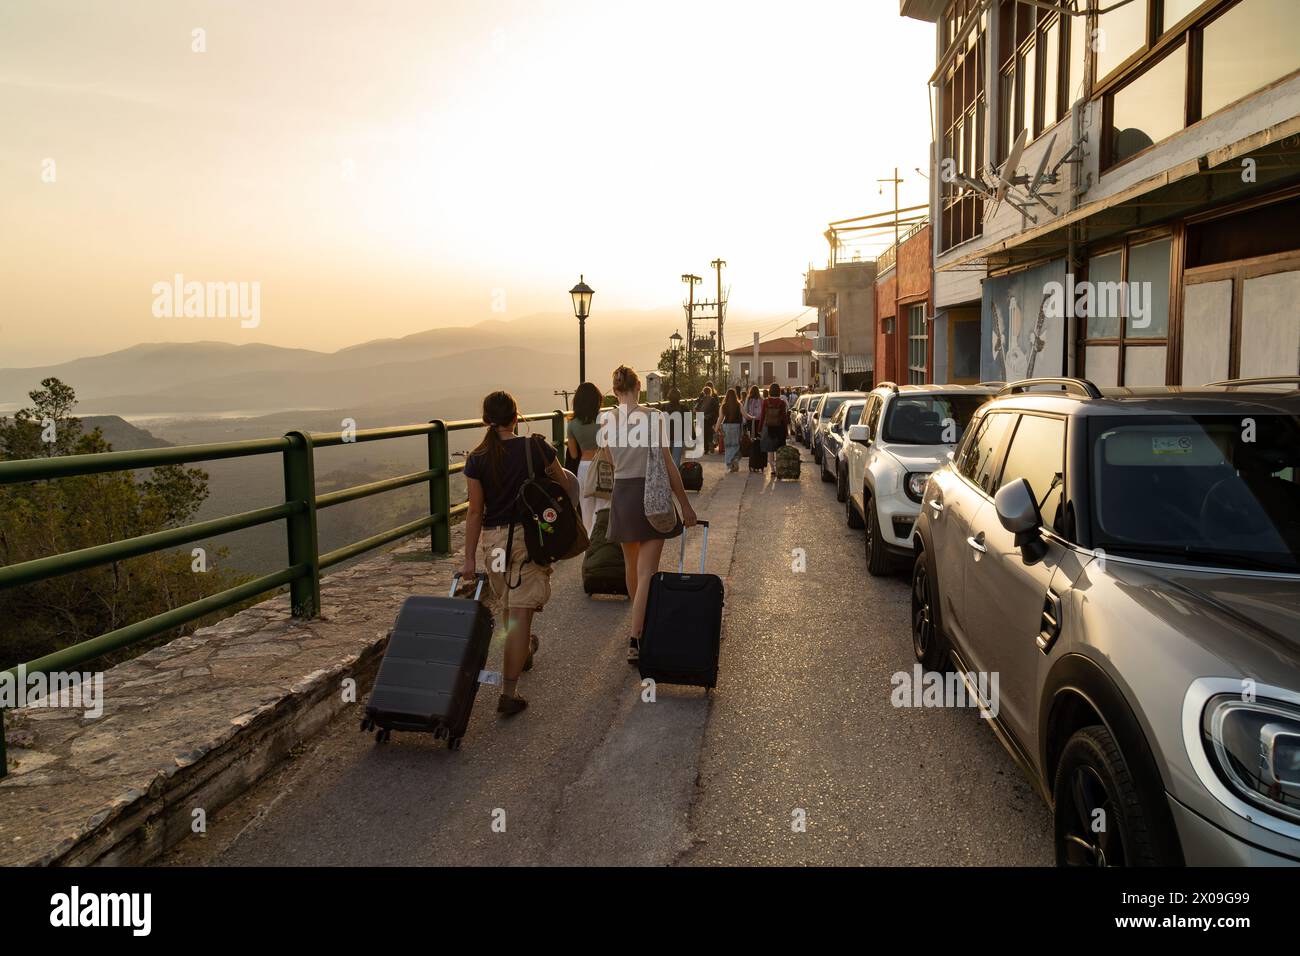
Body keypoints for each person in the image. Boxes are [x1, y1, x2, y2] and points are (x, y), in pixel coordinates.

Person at [460, 390, 570, 717]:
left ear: (485, 420)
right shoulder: (535, 446)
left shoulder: (476, 458)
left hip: (493, 544)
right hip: (526, 539)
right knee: (520, 615)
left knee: (510, 607)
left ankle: (524, 650)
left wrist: (468, 559)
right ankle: (508, 693)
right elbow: (562, 485)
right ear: (515, 417)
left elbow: (475, 512)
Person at [601, 365, 699, 663]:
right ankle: (636, 636)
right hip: (651, 496)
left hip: (623, 495)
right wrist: (685, 505)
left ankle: (638, 625)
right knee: (647, 573)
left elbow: (608, 459)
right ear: (638, 388)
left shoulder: (607, 420)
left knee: (632, 568)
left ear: (615, 391)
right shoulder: (653, 418)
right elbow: (669, 466)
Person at [566, 381, 604, 533]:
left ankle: (589, 549)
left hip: (584, 468)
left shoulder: (572, 424)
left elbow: (574, 454)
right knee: (602, 508)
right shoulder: (604, 419)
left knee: (586, 511)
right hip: (603, 465)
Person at [759, 382, 789, 477]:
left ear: (770, 391)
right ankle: (779, 467)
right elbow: (784, 418)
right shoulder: (782, 403)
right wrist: (786, 430)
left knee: (770, 449)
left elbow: (762, 416)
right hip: (779, 428)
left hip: (768, 427)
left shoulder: (766, 402)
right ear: (779, 391)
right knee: (779, 449)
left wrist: (759, 428)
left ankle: (772, 469)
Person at [720, 388, 743, 473]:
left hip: (726, 426)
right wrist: (752, 417)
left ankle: (729, 464)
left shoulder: (724, 405)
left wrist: (716, 428)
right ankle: (735, 461)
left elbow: (720, 418)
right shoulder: (738, 404)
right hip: (736, 426)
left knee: (728, 446)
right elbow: (744, 415)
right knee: (735, 445)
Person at [665, 386, 686, 469]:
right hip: (679, 437)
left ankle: (667, 477)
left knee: (666, 459)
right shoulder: (684, 408)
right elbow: (688, 424)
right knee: (676, 459)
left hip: (666, 437)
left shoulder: (664, 408)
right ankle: (674, 478)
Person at [695, 384, 720, 454]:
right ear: (710, 392)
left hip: (702, 418)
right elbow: (716, 410)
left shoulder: (701, 400)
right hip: (710, 418)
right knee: (710, 431)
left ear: (704, 392)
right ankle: (711, 442)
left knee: (704, 433)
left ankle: (706, 448)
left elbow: (696, 408)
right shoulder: (713, 400)